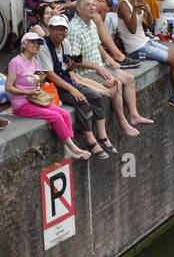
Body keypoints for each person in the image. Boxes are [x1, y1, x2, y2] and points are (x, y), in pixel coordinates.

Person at [66, 0, 154, 135]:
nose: (92, 8)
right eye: (88, 5)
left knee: (129, 79)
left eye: (94, 5)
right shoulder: (74, 30)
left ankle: (134, 115)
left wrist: (108, 57)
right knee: (116, 84)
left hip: (99, 66)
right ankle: (122, 121)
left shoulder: (91, 23)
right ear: (78, 9)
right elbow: (75, 60)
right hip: (85, 72)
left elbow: (97, 45)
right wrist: (97, 67)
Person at [36, 14, 116, 158]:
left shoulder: (65, 43)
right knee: (82, 101)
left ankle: (102, 136)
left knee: (96, 97)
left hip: (66, 80)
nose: (61, 33)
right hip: (53, 86)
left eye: (63, 29)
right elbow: (50, 74)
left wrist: (71, 67)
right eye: (57, 29)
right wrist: (71, 88)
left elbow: (66, 68)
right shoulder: (44, 46)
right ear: (50, 29)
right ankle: (90, 139)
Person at [4, 30, 88, 160]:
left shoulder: (35, 62)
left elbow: (33, 84)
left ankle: (67, 150)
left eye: (38, 43)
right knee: (55, 117)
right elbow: (8, 87)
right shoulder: (16, 62)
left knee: (64, 114)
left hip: (35, 99)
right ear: (24, 44)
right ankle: (73, 147)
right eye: (32, 42)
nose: (36, 45)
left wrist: (40, 80)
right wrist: (27, 92)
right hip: (22, 104)